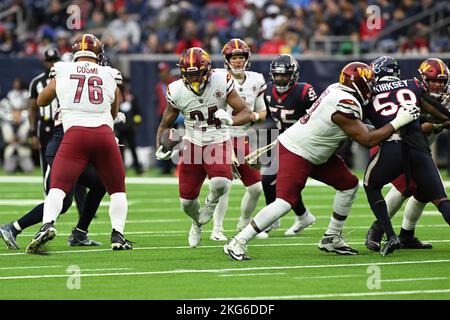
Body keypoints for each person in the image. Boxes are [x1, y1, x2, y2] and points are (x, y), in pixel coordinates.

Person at [223, 62, 420, 261]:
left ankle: (332, 237)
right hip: (298, 150)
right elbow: (367, 140)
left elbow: (351, 127)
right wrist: (399, 121)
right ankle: (238, 241)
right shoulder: (345, 103)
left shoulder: (337, 90)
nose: (371, 88)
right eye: (368, 83)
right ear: (359, 84)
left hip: (315, 151)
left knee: (349, 185)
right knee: (284, 202)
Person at [25, 34, 131, 254]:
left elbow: (41, 100)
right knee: (117, 190)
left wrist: (65, 96)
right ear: (98, 54)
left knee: (58, 187)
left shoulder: (62, 69)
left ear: (76, 53)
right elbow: (113, 112)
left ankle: (47, 225)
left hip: (74, 135)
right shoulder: (110, 73)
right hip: (103, 135)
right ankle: (117, 234)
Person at [155, 47, 254, 248]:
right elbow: (165, 125)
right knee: (186, 204)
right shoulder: (177, 90)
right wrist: (161, 147)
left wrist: (231, 120)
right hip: (192, 143)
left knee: (220, 182)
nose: (193, 79)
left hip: (218, 139)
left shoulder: (221, 80)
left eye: (197, 74)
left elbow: (246, 111)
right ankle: (197, 222)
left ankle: (210, 204)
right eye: (188, 75)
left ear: (207, 71)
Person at [365, 57, 450, 253]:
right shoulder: (413, 89)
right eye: (433, 80)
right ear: (422, 79)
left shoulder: (414, 90)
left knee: (422, 192)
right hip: (390, 142)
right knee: (407, 186)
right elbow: (424, 125)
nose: (437, 84)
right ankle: (377, 230)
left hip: (417, 147)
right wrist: (436, 124)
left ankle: (406, 235)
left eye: (441, 81)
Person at [209, 38, 268, 242]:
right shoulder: (217, 77)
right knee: (224, 185)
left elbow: (262, 111)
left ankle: (244, 223)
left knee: (255, 188)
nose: (237, 61)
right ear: (226, 59)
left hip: (241, 137)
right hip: (219, 137)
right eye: (233, 57)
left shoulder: (256, 79)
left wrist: (253, 117)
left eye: (241, 56)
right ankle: (217, 228)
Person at [262, 54, 318, 236]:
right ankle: (287, 216)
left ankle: (301, 216)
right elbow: (267, 117)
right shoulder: (268, 91)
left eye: (284, 75)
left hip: (304, 142)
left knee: (289, 183)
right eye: (277, 75)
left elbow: (318, 117)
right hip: (283, 140)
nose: (280, 78)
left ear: (293, 75)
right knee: (267, 179)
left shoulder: (304, 91)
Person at [28, 48, 86, 213]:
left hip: (66, 126)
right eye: (49, 61)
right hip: (47, 127)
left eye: (55, 60)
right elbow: (34, 106)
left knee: (78, 166)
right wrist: (33, 132)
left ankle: (82, 207)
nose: (52, 63)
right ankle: (50, 204)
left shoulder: (68, 76)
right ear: (44, 62)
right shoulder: (38, 82)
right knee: (48, 167)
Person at [114, 80, 144, 175]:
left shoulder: (131, 97)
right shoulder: (116, 96)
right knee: (120, 149)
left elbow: (137, 112)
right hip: (119, 127)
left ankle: (137, 167)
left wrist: (135, 123)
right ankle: (121, 168)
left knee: (133, 148)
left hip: (130, 128)